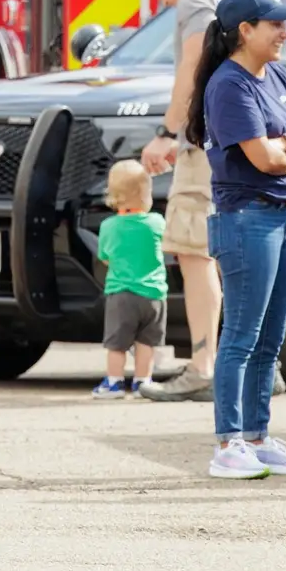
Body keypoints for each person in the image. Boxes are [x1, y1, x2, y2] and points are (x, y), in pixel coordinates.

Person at [190, 0, 286, 480]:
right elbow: (263, 160)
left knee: (270, 337)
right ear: (244, 31)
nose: (285, 32)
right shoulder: (229, 85)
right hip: (247, 218)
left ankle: (256, 436)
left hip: (282, 215)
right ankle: (228, 443)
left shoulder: (278, 75)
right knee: (242, 336)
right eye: (275, 24)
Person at [139, 0, 235, 402]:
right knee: (230, 255)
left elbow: (193, 64)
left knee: (195, 254)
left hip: (202, 140)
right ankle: (255, 362)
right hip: (234, 137)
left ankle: (202, 365)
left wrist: (167, 130)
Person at [94, 160, 167, 400]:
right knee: (147, 342)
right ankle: (142, 382)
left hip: (122, 293)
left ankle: (114, 383)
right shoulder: (156, 222)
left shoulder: (109, 226)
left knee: (117, 343)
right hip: (154, 294)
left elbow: (105, 257)